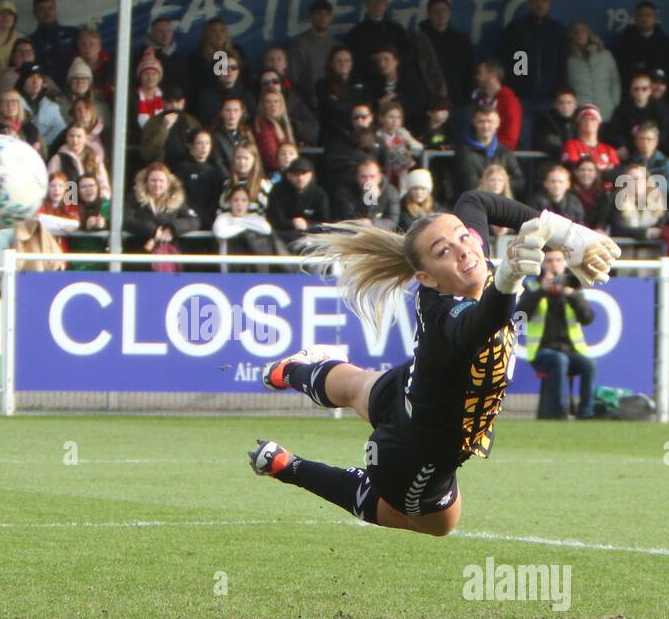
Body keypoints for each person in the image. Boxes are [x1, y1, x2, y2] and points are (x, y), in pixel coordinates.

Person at [249, 191, 619, 535]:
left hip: (409, 389)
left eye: (463, 236)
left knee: (354, 385)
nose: (464, 249)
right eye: (444, 251)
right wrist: (507, 279)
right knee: (438, 523)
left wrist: (572, 236)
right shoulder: (446, 312)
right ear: (426, 278)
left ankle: (287, 375)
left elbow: (476, 200)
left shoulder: (468, 263)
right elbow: (481, 322)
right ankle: (289, 466)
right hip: (412, 455)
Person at [518, 247, 596, 419]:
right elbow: (520, 316)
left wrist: (570, 295)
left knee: (588, 365)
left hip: (570, 350)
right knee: (559, 361)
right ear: (542, 264)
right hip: (541, 352)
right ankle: (559, 414)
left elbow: (588, 318)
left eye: (558, 260)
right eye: (550, 260)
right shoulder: (532, 287)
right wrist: (540, 291)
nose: (554, 265)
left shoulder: (573, 288)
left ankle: (586, 413)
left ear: (565, 264)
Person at [501, 0, 568, 143]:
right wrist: (519, 88)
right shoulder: (518, 28)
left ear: (549, 3)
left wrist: (560, 91)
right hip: (524, 98)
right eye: (536, 1)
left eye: (543, 1)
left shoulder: (557, 29)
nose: (540, 4)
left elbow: (561, 64)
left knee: (550, 141)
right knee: (524, 141)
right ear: (529, 3)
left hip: (550, 98)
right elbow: (518, 60)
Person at [127, 162, 198, 254]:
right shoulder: (134, 198)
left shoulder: (176, 199)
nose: (157, 184)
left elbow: (194, 220)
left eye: (161, 181)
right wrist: (151, 230)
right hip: (139, 252)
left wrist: (172, 228)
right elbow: (126, 219)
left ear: (168, 183)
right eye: (153, 180)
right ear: (146, 182)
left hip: (167, 254)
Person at [453, 106, 524, 197]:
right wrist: (501, 180)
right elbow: (469, 185)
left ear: (498, 123)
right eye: (481, 121)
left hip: (503, 203)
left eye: (490, 121)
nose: (486, 126)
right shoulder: (464, 152)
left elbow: (519, 181)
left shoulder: (505, 151)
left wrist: (486, 181)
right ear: (474, 122)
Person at [415, 0, 472, 107]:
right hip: (430, 103)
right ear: (428, 14)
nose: (440, 14)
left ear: (449, 13)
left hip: (458, 101)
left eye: (443, 10)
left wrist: (466, 98)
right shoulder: (420, 42)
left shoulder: (461, 41)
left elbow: (469, 70)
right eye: (436, 11)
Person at [345, 0, 411, 81]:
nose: (377, 4)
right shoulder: (355, 32)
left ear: (387, 4)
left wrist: (393, 64)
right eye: (373, 0)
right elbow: (355, 61)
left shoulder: (397, 30)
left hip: (396, 81)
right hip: (368, 83)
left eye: (381, 0)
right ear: (366, 3)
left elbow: (408, 53)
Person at [613, 0, 669, 90]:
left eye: (648, 15)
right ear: (635, 18)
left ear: (655, 18)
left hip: (659, 92)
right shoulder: (624, 42)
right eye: (640, 15)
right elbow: (619, 69)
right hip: (633, 93)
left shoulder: (666, 43)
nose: (644, 19)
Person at [267, 157, 329, 247]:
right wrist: (292, 223)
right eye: (296, 174)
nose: (300, 178)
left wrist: (308, 225)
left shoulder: (319, 194)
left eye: (304, 173)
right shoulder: (278, 191)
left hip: (311, 237)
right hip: (283, 236)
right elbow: (274, 219)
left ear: (311, 175)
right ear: (289, 175)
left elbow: (324, 222)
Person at [316, 46, 370, 148]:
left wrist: (341, 103)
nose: (343, 64)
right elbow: (333, 108)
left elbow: (366, 108)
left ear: (352, 63)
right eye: (339, 61)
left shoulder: (361, 83)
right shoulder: (322, 84)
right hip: (332, 136)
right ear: (331, 64)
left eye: (347, 60)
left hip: (358, 135)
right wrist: (354, 104)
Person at [566, 22, 621, 122]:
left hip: (606, 110)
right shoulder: (568, 59)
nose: (579, 34)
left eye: (582, 31)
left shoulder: (605, 55)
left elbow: (615, 80)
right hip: (582, 112)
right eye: (575, 32)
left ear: (589, 34)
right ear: (571, 36)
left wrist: (614, 102)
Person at [288, 0, 337, 109]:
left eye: (326, 15)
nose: (322, 18)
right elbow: (292, 78)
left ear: (330, 18)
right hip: (305, 103)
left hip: (333, 103)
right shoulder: (299, 44)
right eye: (319, 14)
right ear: (311, 17)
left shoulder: (337, 46)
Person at [176, 128, 225, 230]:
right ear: (190, 146)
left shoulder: (215, 171)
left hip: (209, 219)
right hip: (188, 218)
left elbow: (216, 197)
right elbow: (179, 194)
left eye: (207, 143)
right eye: (199, 143)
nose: (204, 147)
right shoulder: (182, 168)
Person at [140, 87, 199, 168]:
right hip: (163, 170)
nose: (174, 105)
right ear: (163, 103)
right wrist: (164, 128)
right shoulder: (153, 123)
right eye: (170, 102)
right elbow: (147, 154)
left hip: (188, 170)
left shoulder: (192, 122)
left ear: (183, 102)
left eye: (177, 101)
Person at [47, 124, 111, 200]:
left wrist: (100, 201)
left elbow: (104, 185)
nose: (75, 140)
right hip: (69, 204)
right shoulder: (57, 159)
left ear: (85, 137)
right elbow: (50, 184)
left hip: (90, 206)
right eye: (71, 136)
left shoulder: (94, 158)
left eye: (79, 136)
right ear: (66, 137)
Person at [133, 16, 189, 98]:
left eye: (168, 31)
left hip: (175, 102)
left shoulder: (179, 57)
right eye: (160, 31)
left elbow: (186, 83)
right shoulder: (141, 55)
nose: (165, 35)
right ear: (151, 33)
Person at [472, 59, 521, 150]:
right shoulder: (479, 100)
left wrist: (494, 150)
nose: (477, 77)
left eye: (480, 73)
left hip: (500, 156)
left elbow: (511, 137)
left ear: (492, 75)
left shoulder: (509, 101)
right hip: (477, 152)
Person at [16, 62, 65, 146]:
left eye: (39, 77)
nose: (35, 81)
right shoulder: (13, 102)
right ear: (22, 80)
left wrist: (42, 143)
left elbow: (61, 129)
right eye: (31, 77)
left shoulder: (52, 106)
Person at [254, 87, 301, 174]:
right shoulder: (263, 125)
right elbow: (272, 159)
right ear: (262, 105)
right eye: (268, 102)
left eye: (276, 101)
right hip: (274, 173)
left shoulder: (282, 124)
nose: (273, 105)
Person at [375, 100, 422, 188]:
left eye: (398, 117)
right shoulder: (377, 135)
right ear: (381, 118)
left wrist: (408, 140)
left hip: (399, 176)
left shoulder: (402, 133)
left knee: (399, 149)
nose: (395, 121)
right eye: (391, 117)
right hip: (380, 174)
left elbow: (419, 147)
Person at [208, 97, 257, 176]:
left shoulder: (247, 133)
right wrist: (231, 179)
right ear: (221, 113)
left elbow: (255, 156)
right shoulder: (215, 136)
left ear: (241, 113)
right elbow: (218, 162)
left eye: (236, 110)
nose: (232, 114)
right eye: (228, 110)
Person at [0, 88, 43, 154]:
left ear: (19, 105)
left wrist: (37, 147)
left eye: (14, 101)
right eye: (5, 101)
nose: (10, 105)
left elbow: (43, 153)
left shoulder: (30, 127)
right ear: (0, 107)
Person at [532, 88, 578, 156]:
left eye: (569, 103)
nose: (566, 107)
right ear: (555, 105)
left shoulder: (582, 119)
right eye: (561, 103)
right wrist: (565, 150)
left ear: (575, 105)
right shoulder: (545, 120)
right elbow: (542, 142)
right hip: (552, 160)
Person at [570, 156, 607, 229]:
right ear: (576, 172)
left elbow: (604, 217)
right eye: (582, 170)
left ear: (596, 173)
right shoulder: (568, 192)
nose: (586, 173)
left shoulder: (604, 193)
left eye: (590, 170)